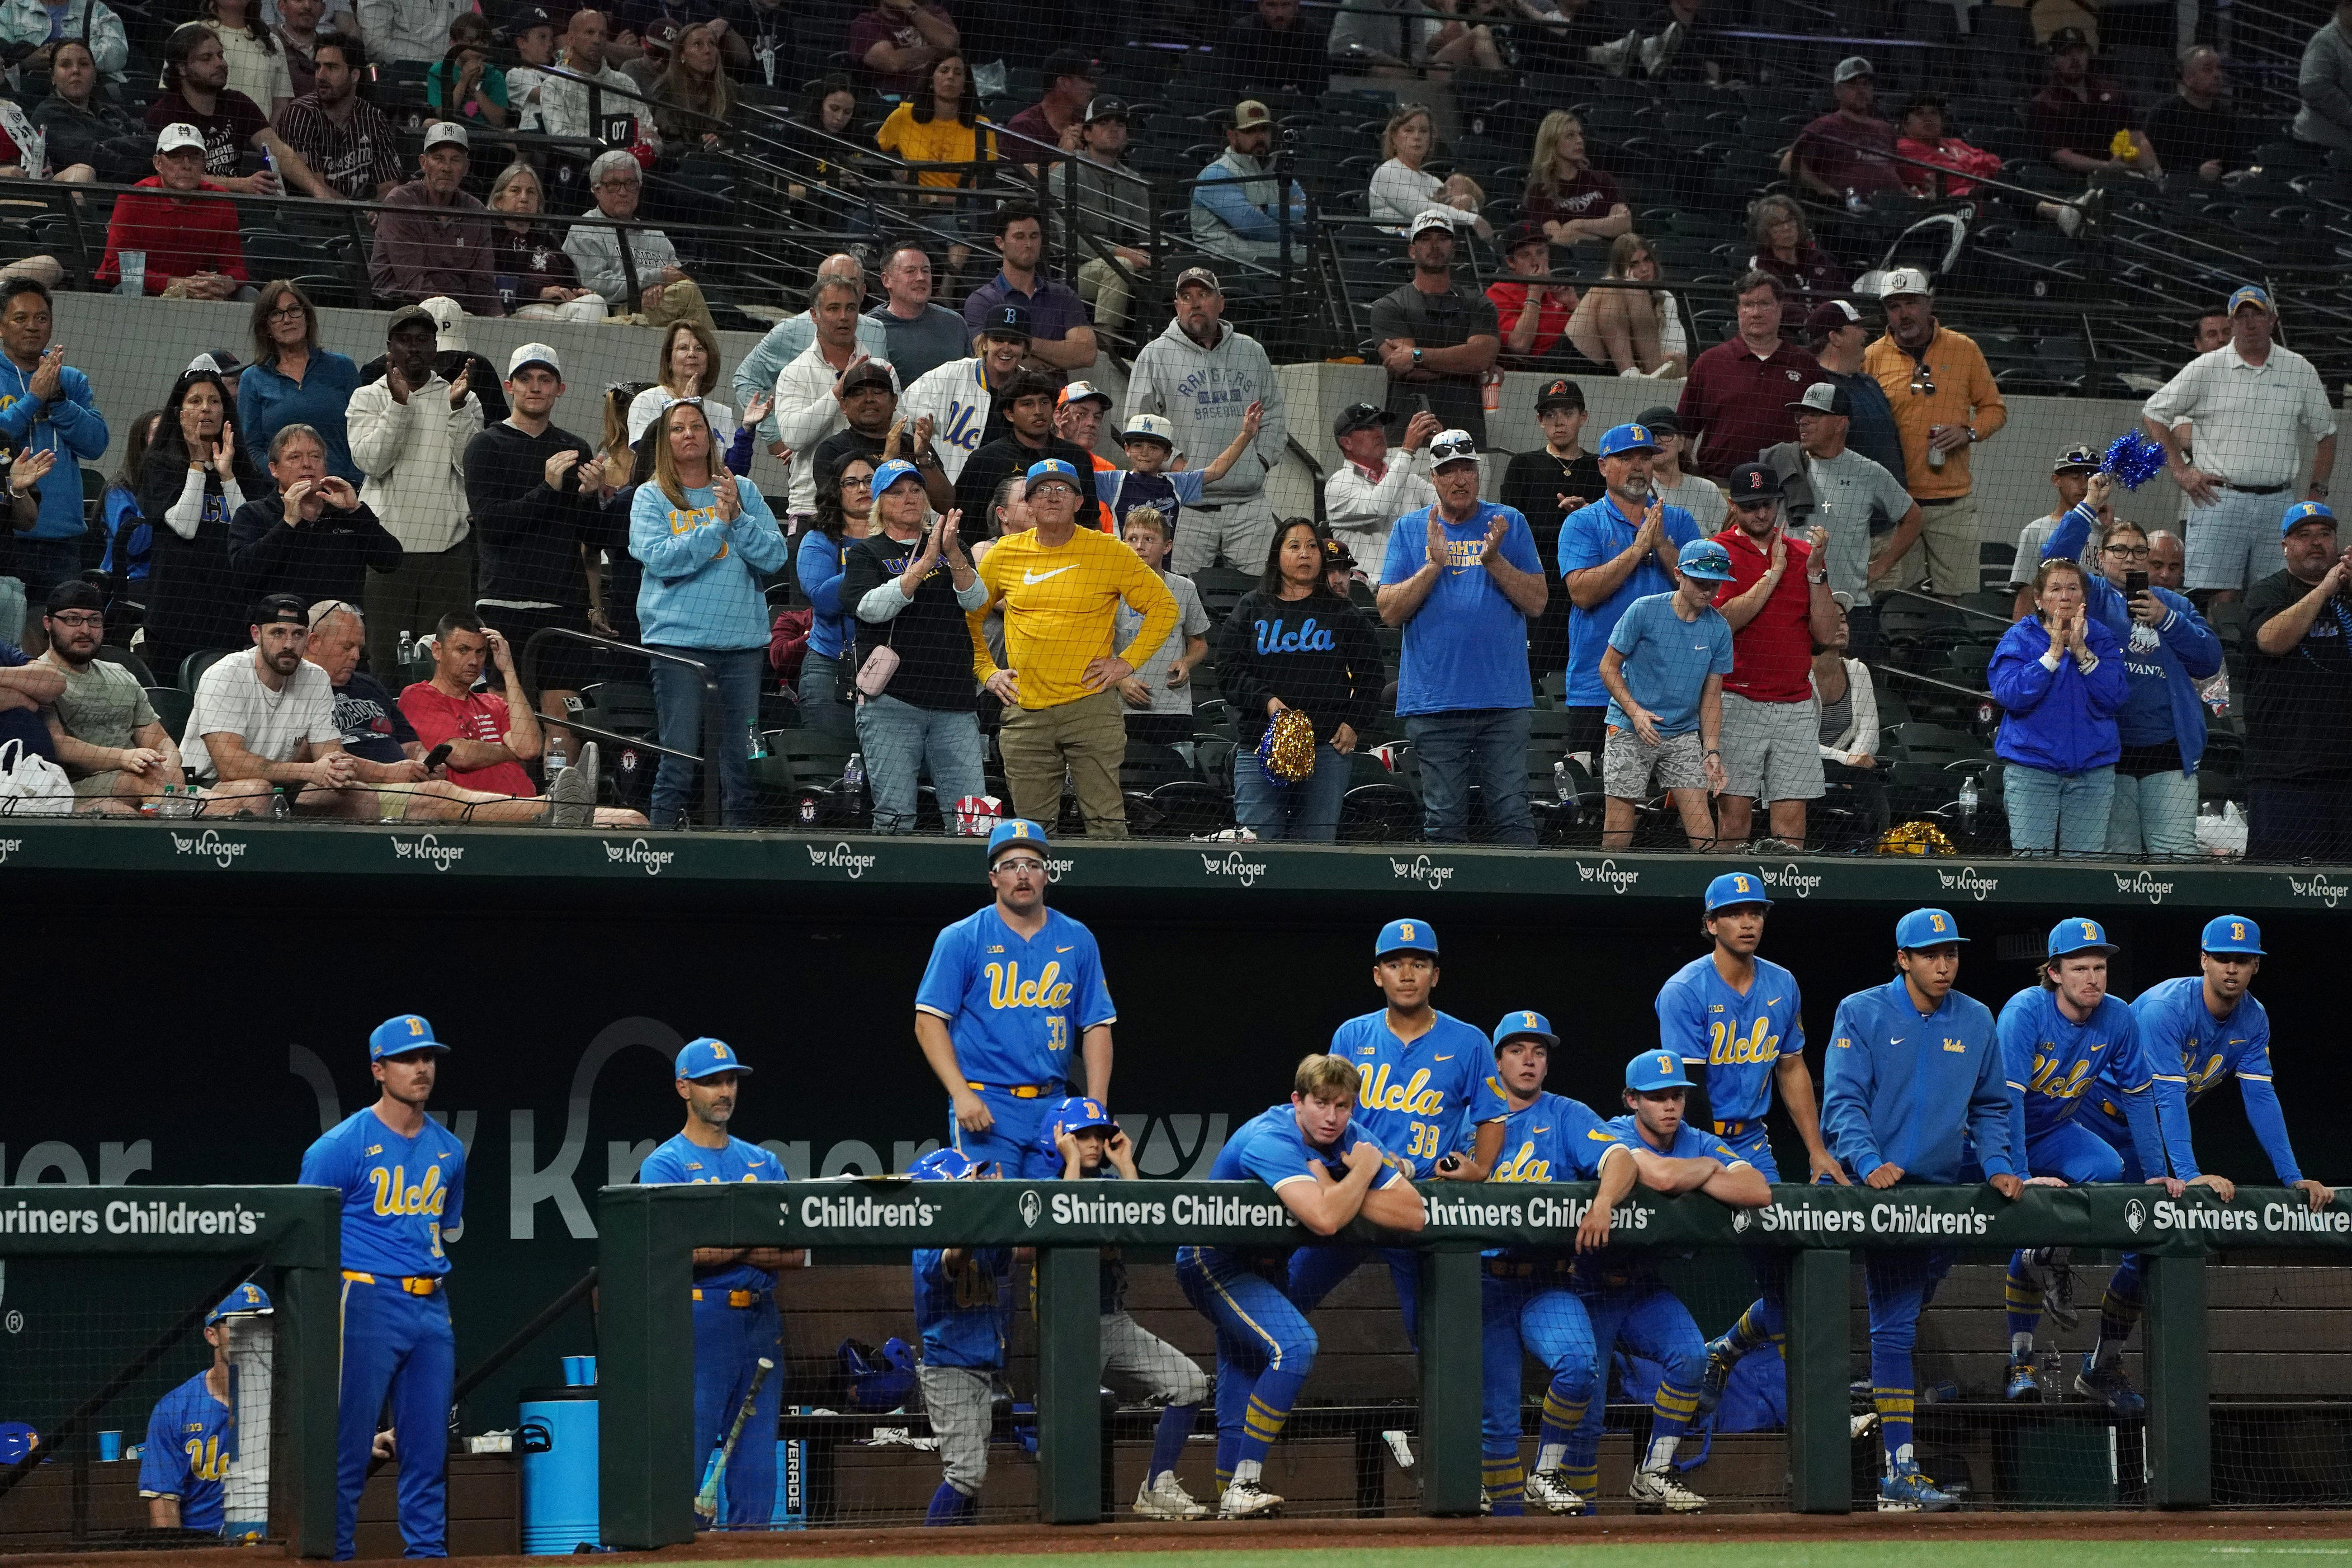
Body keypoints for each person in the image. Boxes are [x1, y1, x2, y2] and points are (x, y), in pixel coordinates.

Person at [2090, 917, 2337, 1410]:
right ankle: (2023, 1352)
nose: (2232, 968)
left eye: (2243, 960)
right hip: (2093, 1118)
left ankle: (2101, 1366)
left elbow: (2261, 1098)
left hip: (2145, 1137)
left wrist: (2292, 1176)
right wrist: (2188, 1175)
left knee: (2145, 1251)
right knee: (2050, 1224)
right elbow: (2166, 1097)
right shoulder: (2166, 1008)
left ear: (2256, 967)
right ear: (2204, 960)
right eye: (2223, 958)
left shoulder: (2254, 1018)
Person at [1821, 908, 2020, 1512]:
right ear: (1903, 959)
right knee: (1889, 1325)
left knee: (1903, 1315)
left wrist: (1997, 1162)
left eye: (1951, 952)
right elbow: (1843, 1101)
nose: (1944, 964)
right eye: (1930, 953)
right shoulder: (1862, 1010)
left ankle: (1885, 1427)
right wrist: (1866, 1158)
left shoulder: (1977, 1017)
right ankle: (1897, 1469)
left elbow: (1991, 1105)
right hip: (1875, 1191)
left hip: (1942, 1194)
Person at [1180, 1051, 1426, 1518]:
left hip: (1269, 1267)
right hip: (1215, 1260)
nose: (1332, 1117)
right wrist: (1361, 1174)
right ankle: (1244, 1481)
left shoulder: (1356, 1138)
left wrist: (1337, 1187)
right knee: (1294, 1346)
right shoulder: (1270, 1137)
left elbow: (1413, 1214)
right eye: (1321, 1103)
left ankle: (1232, 1501)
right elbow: (1326, 1220)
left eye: (1342, 1106)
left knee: (1246, 1368)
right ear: (1298, 1101)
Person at [1658, 875, 1846, 1416]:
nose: (1748, 922)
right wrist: (1707, 1168)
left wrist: (1816, 1149)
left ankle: (1744, 1359)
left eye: (1756, 912)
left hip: (1754, 1140)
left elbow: (1791, 1066)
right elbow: (1688, 1089)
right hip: (1696, 1139)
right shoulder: (1685, 989)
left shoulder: (1782, 982)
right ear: (1711, 923)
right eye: (1735, 913)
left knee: (1786, 1274)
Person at [1561, 1051, 1770, 1514]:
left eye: (1677, 1095)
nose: (1670, 1105)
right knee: (1587, 1420)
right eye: (1657, 1097)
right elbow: (1655, 1176)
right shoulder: (1615, 1132)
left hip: (1642, 1286)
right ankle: (1580, 1523)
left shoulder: (1696, 1140)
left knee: (1692, 1357)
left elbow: (1757, 1189)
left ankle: (1654, 1472)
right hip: (1589, 1286)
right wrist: (1709, 1170)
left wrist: (1697, 1170)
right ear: (1632, 1100)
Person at [1993, 919, 2183, 1402]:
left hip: (2055, 1131)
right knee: (1944, 1230)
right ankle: (2021, 1346)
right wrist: (2020, 1174)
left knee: (2107, 1168)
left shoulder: (2117, 1016)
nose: (2093, 978)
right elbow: (2006, 1099)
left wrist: (2157, 1172)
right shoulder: (2025, 1011)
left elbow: (2139, 1096)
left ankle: (2045, 1260)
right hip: (1988, 1134)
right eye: (2079, 968)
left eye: (2099, 967)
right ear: (2054, 972)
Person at [1292, 919, 1505, 1345]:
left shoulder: (1469, 1041)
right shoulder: (1353, 1034)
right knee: (1287, 1296)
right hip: (1355, 1192)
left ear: (1435, 975)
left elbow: (1492, 1116)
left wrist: (1481, 1168)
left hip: (1420, 1199)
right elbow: (1323, 1109)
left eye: (1418, 964)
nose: (1407, 975)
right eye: (1394, 965)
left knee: (1432, 1334)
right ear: (1378, 975)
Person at [300, 1014, 465, 1560]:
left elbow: (440, 1225)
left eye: (428, 1057)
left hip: (431, 1305)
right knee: (347, 1450)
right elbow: (306, 1239)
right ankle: (333, 1555)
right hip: (364, 1300)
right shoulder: (338, 1147)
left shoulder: (449, 1149)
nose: (421, 1068)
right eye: (407, 1058)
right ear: (378, 1069)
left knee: (427, 1451)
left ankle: (427, 1556)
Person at [636, 1038, 805, 1528]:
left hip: (761, 1319)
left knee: (756, 1460)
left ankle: (749, 1554)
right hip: (701, 1318)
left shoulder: (763, 1163)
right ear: (683, 1088)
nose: (725, 1091)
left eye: (730, 1080)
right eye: (712, 1082)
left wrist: (724, 1244)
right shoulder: (665, 1164)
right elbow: (677, 1254)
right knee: (687, 1449)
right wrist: (753, 1242)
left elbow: (795, 1251)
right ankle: (674, 1554)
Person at [1474, 1012, 1630, 1515]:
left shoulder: (1566, 1114)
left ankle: (1545, 1471)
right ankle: (1507, 1531)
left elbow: (1622, 1159)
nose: (1529, 1061)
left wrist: (1603, 1201)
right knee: (1498, 1420)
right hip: (1486, 1283)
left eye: (1538, 1052)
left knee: (1580, 1365)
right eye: (1517, 1050)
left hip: (1547, 1280)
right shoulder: (1470, 1118)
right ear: (1498, 1061)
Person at [968, 457, 1175, 834]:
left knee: (1106, 825)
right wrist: (987, 671)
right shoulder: (1003, 554)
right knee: (1031, 832)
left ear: (1079, 502)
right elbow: (969, 616)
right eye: (1042, 490)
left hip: (1091, 707)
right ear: (1029, 504)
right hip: (1025, 710)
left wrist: (1125, 664)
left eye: (1062, 490)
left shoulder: (1109, 551)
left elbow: (1164, 607)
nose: (1052, 497)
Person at [1032, 1095, 1211, 1520]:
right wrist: (1070, 1162)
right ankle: (1059, 1528)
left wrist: (1127, 1165)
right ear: (1059, 1138)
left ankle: (1158, 1487)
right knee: (1070, 1429)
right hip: (1069, 1328)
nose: (1095, 1143)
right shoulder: (1042, 1185)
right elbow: (1064, 1221)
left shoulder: (1112, 1185)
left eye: (1100, 1135)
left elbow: (1145, 1223)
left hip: (1115, 1323)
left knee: (1191, 1384)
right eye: (1082, 1136)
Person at [2035, 476, 2221, 857]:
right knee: (2118, 857)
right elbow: (2053, 559)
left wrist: (2166, 618)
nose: (2129, 558)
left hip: (2169, 749)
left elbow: (2209, 660)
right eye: (2119, 549)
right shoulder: (2091, 597)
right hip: (2108, 750)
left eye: (2139, 551)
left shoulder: (2174, 604)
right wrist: (2089, 503)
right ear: (2100, 557)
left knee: (2176, 854)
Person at [305, 599, 617, 826]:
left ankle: (567, 804)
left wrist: (508, 670)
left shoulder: (371, 687)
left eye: (480, 652)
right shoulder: (418, 695)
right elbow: (460, 754)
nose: (474, 661)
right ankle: (559, 804)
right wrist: (510, 750)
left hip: (510, 800)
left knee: (631, 819)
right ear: (437, 652)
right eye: (463, 650)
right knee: (443, 793)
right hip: (463, 805)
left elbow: (532, 747)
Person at [916, 816, 1114, 1166]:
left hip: (1055, 1105)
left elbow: (1097, 1024)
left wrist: (1094, 1108)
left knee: (1060, 1201)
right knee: (995, 1200)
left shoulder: (1077, 937)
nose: (1023, 875)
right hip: (988, 1103)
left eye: (1033, 865)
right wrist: (960, 1092)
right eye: (1010, 866)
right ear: (994, 878)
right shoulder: (961, 937)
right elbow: (927, 1021)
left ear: (1047, 875)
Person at [1378, 429, 1545, 844]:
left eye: (1467, 469)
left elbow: (1538, 602)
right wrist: (1433, 566)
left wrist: (1494, 561)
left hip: (1502, 702)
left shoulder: (1509, 522)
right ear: (1433, 478)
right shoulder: (1410, 528)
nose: (1459, 479)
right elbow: (1389, 612)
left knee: (1512, 814)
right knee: (1444, 821)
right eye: (1448, 471)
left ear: (1478, 472)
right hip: (1435, 704)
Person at [630, 397, 788, 828]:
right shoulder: (651, 496)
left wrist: (737, 516)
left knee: (745, 761)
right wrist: (717, 525)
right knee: (678, 759)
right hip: (678, 647)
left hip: (742, 649)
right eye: (678, 428)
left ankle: (738, 853)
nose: (689, 434)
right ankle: (659, 848)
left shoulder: (743, 490)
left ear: (710, 436)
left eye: (697, 426)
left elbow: (775, 557)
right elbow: (661, 559)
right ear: (665, 440)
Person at [2141, 286, 2336, 604]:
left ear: (2273, 320)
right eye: (2241, 316)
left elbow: (2327, 433)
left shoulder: (2299, 369)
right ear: (2232, 324)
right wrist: (2181, 471)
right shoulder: (2206, 367)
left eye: (2256, 314)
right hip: (2220, 500)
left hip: (2279, 502)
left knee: (2275, 596)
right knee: (2218, 599)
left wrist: (2318, 491)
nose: (2249, 322)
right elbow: (2153, 413)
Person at [465, 343, 609, 751]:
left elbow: (590, 536)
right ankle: (506, 791)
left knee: (562, 726)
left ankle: (562, 791)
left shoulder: (575, 448)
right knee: (505, 723)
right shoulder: (485, 446)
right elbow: (492, 526)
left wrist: (590, 497)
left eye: (545, 380)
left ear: (560, 389)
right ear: (509, 386)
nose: (535, 387)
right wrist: (548, 488)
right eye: (526, 379)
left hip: (562, 607)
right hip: (504, 604)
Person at [841, 460, 989, 832]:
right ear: (879, 504)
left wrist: (953, 553)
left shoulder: (955, 547)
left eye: (916, 490)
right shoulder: (866, 553)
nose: (909, 498)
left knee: (973, 819)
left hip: (954, 699)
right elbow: (868, 609)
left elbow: (976, 601)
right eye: (897, 492)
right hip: (893, 701)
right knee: (895, 816)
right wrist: (923, 564)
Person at [1217, 517, 1378, 841]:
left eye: (1312, 547)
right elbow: (1228, 670)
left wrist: (1355, 723)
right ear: (1276, 555)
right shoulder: (1251, 607)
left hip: (1327, 748)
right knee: (1256, 845)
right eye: (1294, 546)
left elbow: (1372, 676)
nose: (1305, 554)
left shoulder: (1344, 613)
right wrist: (1267, 701)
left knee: (1315, 849)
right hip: (1259, 743)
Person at [1123, 268, 1288, 574]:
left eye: (1203, 295)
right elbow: (1137, 425)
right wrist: (1175, 464)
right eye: (1186, 297)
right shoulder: (1155, 355)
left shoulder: (1251, 352)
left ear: (1221, 303)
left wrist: (1261, 460)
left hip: (1249, 505)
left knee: (1267, 589)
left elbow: (1274, 413)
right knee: (1177, 590)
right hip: (1186, 507)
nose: (1195, 303)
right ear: (1177, 307)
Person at [348, 304, 482, 680]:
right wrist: (399, 406)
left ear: (435, 347)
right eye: (405, 340)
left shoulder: (462, 397)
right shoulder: (367, 397)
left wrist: (457, 409)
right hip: (388, 555)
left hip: (448, 554)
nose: (414, 348)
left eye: (423, 340)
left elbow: (470, 468)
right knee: (386, 666)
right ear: (390, 347)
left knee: (449, 670)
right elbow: (372, 462)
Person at [1708, 462, 1839, 848]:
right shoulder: (1718, 551)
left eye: (1767, 503)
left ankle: (1785, 887)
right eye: (1750, 506)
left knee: (1792, 824)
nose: (1761, 513)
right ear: (1733, 505)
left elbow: (1827, 634)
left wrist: (1815, 573)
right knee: (1734, 822)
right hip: (1736, 700)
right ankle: (1729, 888)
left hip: (1795, 704)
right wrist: (1774, 573)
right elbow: (1723, 622)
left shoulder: (1805, 554)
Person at [1560, 422, 1702, 762]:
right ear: (1602, 466)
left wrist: (1661, 544)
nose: (1638, 466)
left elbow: (1702, 592)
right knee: (1591, 792)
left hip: (1670, 693)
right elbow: (1581, 593)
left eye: (1645, 458)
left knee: (1673, 794)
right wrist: (1637, 550)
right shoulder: (1583, 522)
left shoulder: (1679, 521)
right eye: (1625, 458)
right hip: (1596, 692)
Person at [1859, 268, 2005, 601]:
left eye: (1911, 303)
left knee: (1960, 602)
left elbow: (1994, 409)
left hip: (1952, 502)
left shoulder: (1964, 349)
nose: (1903, 314)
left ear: (1930, 303)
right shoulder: (1870, 357)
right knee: (1897, 601)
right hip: (1895, 505)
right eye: (1894, 306)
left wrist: (1968, 432)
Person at [1758, 382, 1920, 658]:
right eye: (1802, 414)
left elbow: (1913, 518)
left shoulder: (1869, 472)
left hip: (1849, 605)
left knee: (1852, 681)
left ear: (1841, 423)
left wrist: (1880, 567)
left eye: (1815, 415)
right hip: (1789, 601)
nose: (1804, 421)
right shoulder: (1781, 462)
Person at [181, 595, 377, 817]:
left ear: (307, 638)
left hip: (281, 782)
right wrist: (310, 771)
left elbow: (330, 754)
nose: (288, 644)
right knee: (257, 791)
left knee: (361, 797)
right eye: (278, 633)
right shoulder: (225, 675)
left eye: (298, 634)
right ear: (256, 634)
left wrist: (338, 769)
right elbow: (230, 767)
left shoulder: (315, 678)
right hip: (206, 784)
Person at [1598, 536, 1735, 848]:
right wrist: (1635, 712)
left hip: (1683, 733)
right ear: (1678, 575)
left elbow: (1712, 696)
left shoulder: (1719, 629)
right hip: (1631, 728)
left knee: (1704, 834)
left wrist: (1712, 751)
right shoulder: (1644, 611)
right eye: (1700, 582)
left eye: (1715, 585)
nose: (1708, 591)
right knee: (1618, 831)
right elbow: (1607, 667)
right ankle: (1609, 878)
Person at [1990, 555, 2128, 854]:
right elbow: (2010, 695)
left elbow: (2114, 697)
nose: (2065, 596)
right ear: (2038, 599)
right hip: (2032, 772)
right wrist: (2052, 655)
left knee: (2083, 871)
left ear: (2084, 598)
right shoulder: (2020, 637)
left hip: (2092, 774)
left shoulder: (2101, 638)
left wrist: (2081, 651)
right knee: (2032, 866)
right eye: (2055, 589)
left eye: (2073, 588)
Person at [2242, 502, 2352, 861]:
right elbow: (2271, 641)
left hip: (2346, 770)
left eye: (2325, 534)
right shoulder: (2268, 591)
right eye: (2304, 535)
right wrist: (2325, 589)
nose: (2316, 542)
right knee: (2280, 882)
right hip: (2284, 769)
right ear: (2285, 546)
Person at [903, 1145, 1006, 1527]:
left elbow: (1006, 1256)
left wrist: (1000, 1204)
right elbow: (955, 1259)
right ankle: (926, 1549)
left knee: (972, 1477)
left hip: (981, 1367)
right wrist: (976, 1211)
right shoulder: (927, 1241)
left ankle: (960, 1551)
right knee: (965, 1474)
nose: (975, 1183)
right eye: (965, 1181)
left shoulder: (979, 1233)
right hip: (948, 1369)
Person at [137, 367, 254, 680]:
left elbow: (248, 530)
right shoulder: (159, 465)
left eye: (215, 401)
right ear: (180, 412)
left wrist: (227, 476)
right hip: (175, 614)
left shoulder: (245, 469)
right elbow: (185, 527)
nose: (206, 409)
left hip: (230, 613)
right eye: (195, 401)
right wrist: (197, 463)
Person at [35, 582, 183, 815]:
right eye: (73, 619)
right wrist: (124, 758)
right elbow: (60, 746)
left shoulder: (120, 674)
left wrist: (171, 771)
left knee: (232, 797)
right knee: (129, 798)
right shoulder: (38, 677)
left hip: (143, 779)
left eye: (94, 620)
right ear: (48, 623)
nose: (85, 630)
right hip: (72, 788)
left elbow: (160, 741)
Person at [138, 1286, 273, 1535]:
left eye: (261, 1327)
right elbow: (164, 1506)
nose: (253, 1336)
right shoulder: (175, 1409)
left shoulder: (288, 1403)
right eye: (241, 1326)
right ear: (212, 1336)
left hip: (272, 1542)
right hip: (203, 1545)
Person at [148, 23, 332, 199]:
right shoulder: (164, 114)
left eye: (220, 55)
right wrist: (240, 184)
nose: (219, 63)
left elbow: (278, 150)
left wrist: (318, 191)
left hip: (233, 208)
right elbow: (172, 176)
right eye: (206, 58)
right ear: (182, 69)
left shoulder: (238, 103)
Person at [228, 423, 399, 610]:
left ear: (325, 466)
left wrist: (356, 510)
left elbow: (390, 562)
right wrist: (287, 523)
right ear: (274, 469)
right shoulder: (253, 514)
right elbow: (245, 573)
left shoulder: (347, 514)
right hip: (282, 625)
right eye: (295, 457)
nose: (307, 464)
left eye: (315, 456)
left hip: (340, 624)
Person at [1370, 212, 1500, 447]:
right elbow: (1405, 369)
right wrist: (1467, 366)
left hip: (1467, 437)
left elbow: (1481, 357)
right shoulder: (1389, 306)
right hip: (1409, 440)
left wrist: (1417, 356)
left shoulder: (1479, 304)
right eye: (1425, 239)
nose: (1434, 245)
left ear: (1454, 248)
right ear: (1412, 250)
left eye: (1442, 238)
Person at [1674, 271, 1816, 481]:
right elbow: (1684, 434)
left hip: (1787, 487)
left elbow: (1822, 432)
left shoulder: (1806, 365)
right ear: (1739, 310)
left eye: (1765, 304)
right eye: (1748, 305)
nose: (1756, 313)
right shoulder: (1709, 363)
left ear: (1780, 308)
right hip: (1721, 486)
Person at [1499, 380, 1598, 681]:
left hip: (1587, 587)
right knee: (1533, 675)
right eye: (1550, 415)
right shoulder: (1523, 465)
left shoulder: (1600, 468)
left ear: (1583, 417)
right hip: (1537, 584)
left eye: (1567, 413)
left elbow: (1612, 531)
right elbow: (1510, 531)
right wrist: (1573, 526)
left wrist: (1587, 515)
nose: (1559, 422)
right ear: (1540, 420)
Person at [92, 124, 249, 300]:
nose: (187, 165)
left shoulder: (221, 200)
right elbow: (115, 268)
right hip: (144, 295)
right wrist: (174, 284)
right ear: (158, 163)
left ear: (205, 164)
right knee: (128, 289)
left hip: (198, 296)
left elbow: (236, 268)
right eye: (176, 156)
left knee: (248, 294)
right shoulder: (133, 198)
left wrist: (226, 282)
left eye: (194, 157)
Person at [876, 52, 995, 273]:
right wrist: (895, 169)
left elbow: (983, 188)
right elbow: (874, 152)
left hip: (960, 212)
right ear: (931, 80)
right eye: (944, 70)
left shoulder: (982, 127)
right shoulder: (904, 116)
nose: (951, 77)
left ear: (966, 84)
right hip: (912, 210)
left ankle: (947, 290)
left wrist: (933, 198)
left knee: (965, 228)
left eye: (958, 73)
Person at [368, 123, 501, 315]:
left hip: (459, 311)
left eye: (455, 160)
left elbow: (483, 283)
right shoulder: (401, 202)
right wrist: (451, 312)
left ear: (466, 167)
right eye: (439, 159)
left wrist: (498, 318)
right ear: (423, 163)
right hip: (400, 308)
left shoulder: (476, 211)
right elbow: (411, 278)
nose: (446, 168)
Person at [565, 150, 707, 328]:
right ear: (596, 189)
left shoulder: (655, 234)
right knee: (686, 294)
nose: (623, 192)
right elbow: (599, 287)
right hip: (616, 313)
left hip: (661, 306)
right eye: (614, 184)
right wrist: (655, 278)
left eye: (630, 183)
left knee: (687, 292)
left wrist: (659, 287)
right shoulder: (585, 229)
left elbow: (679, 279)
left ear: (639, 187)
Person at [238, 282, 361, 486]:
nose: (287, 319)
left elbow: (361, 433)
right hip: (282, 494)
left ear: (307, 316)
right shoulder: (252, 379)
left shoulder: (343, 367)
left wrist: (351, 483)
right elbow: (253, 449)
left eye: (294, 310)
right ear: (266, 326)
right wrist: (285, 483)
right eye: (276, 314)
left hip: (342, 489)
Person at [953, 371, 1106, 535]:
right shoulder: (985, 460)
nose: (1038, 411)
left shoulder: (1077, 457)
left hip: (1066, 549)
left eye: (1044, 402)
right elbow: (966, 523)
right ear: (1010, 414)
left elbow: (1090, 521)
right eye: (1028, 404)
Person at [899, 305, 1033, 483]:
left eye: (1015, 342)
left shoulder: (1033, 389)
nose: (1006, 348)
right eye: (998, 340)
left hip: (1013, 491)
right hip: (954, 491)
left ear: (1026, 348)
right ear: (984, 343)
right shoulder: (950, 375)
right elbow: (900, 417)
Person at [1112, 508, 1210, 748]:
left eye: (1149, 539)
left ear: (1167, 546)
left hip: (1173, 706)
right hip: (1119, 707)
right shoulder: (1110, 588)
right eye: (1132, 539)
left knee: (1175, 769)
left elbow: (1199, 644)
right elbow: (1093, 647)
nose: (1139, 546)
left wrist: (1187, 662)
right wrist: (1120, 682)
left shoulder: (1185, 588)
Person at [961, 203, 1094, 377]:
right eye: (1019, 237)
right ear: (1000, 243)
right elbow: (988, 357)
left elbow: (1087, 354)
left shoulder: (1064, 296)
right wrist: (1056, 356)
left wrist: (1021, 343)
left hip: (1056, 394)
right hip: (1004, 393)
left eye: (1034, 236)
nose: (1029, 244)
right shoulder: (982, 300)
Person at [274, 31, 402, 203]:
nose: (321, 75)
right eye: (318, 67)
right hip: (308, 215)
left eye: (332, 68)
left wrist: (375, 211)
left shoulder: (374, 119)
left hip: (361, 213)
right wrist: (358, 212)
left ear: (355, 75)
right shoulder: (300, 115)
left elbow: (389, 186)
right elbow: (317, 190)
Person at [1189, 100, 1309, 267]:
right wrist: (1291, 230)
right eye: (1250, 131)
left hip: (1275, 257)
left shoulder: (1278, 173)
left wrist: (1266, 210)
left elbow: (1307, 216)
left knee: (1315, 257)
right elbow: (1250, 225)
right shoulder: (1216, 174)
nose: (1259, 137)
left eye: (1264, 130)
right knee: (1311, 257)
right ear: (1232, 136)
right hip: (1228, 265)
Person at [2029, 28, 2160, 179]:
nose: (2075, 58)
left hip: (2122, 173)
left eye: (2080, 51)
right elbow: (2062, 157)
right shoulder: (2043, 103)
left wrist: (2152, 174)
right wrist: (2107, 167)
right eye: (2066, 53)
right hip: (2074, 181)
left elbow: (2135, 135)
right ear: (2053, 61)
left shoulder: (2112, 91)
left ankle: (2158, 184)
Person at [1328, 403, 1439, 580]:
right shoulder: (1338, 484)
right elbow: (1377, 507)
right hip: (1367, 591)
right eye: (1368, 428)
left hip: (1416, 584)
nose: (1379, 433)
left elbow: (1450, 505)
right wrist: (1407, 451)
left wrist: (1443, 450)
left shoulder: (1409, 480)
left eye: (1380, 426)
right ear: (1347, 442)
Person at [488, 163, 606, 323]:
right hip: (519, 307)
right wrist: (540, 292)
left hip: (558, 304)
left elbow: (568, 277)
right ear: (498, 201)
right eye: (515, 191)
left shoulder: (547, 238)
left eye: (531, 192)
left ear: (538, 203)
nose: (524, 198)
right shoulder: (491, 235)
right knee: (559, 324)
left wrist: (576, 291)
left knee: (595, 303)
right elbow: (493, 281)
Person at [1564, 232, 1684, 379]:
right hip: (1574, 362)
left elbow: (1676, 347)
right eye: (1634, 264)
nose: (1644, 269)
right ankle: (1629, 371)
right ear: (1621, 269)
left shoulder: (1666, 298)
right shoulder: (1609, 288)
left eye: (1647, 260)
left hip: (1619, 371)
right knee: (1614, 287)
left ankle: (1647, 375)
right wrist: (1632, 286)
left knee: (1678, 359)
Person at [31, 39, 146, 185]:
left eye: (84, 64)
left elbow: (153, 141)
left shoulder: (114, 112)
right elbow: (95, 159)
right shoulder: (48, 114)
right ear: (53, 76)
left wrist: (108, 145)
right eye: (66, 65)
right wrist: (147, 165)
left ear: (95, 74)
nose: (76, 70)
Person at [2009, 445, 2104, 618]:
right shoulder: (2035, 531)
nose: (2084, 485)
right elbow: (2026, 597)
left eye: (2090, 478)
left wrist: (2109, 528)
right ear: (2056, 480)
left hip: (2100, 626)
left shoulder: (2109, 529)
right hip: (2052, 626)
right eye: (2075, 477)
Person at [1791, 57, 1907, 199]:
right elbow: (1789, 163)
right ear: (1838, 91)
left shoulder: (1886, 130)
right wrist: (1824, 190)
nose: (1861, 90)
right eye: (1853, 85)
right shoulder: (1824, 127)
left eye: (1866, 84)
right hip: (1846, 207)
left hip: (1891, 204)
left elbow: (1892, 171)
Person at [1518, 111, 1630, 249]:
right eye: (1570, 136)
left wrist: (1577, 225)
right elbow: (1557, 238)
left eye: (1580, 135)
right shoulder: (1540, 191)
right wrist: (1605, 234)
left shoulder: (1602, 179)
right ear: (1552, 142)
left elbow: (1624, 224)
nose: (1579, 141)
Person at [535, 10, 643, 147]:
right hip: (579, 160)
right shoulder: (554, 84)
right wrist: (614, 144)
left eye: (602, 34)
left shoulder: (625, 83)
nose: (597, 40)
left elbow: (648, 131)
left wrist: (649, 140)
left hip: (629, 158)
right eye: (590, 33)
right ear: (571, 39)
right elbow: (561, 138)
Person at [869, 243, 970, 389]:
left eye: (926, 271)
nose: (921, 278)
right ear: (887, 280)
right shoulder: (870, 329)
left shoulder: (955, 324)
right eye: (910, 271)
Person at [2146, 45, 2254, 182]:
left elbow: (2237, 161)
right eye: (2208, 70)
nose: (2217, 75)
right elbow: (2154, 163)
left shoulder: (2226, 118)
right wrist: (2195, 173)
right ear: (2188, 78)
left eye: (2219, 68)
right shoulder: (2165, 113)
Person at [627, 320, 736, 451]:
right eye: (683, 348)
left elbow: (733, 464)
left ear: (709, 361)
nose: (692, 354)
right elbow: (646, 454)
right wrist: (687, 408)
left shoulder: (723, 413)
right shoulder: (646, 402)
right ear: (669, 360)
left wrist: (747, 431)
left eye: (700, 349)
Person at [1745, 196, 1846, 327]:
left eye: (1790, 220)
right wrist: (1813, 324)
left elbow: (1846, 295)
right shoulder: (1761, 265)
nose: (1787, 228)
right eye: (1777, 224)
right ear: (1764, 232)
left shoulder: (1819, 259)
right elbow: (1778, 303)